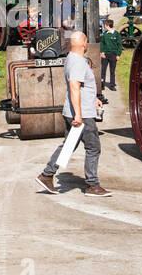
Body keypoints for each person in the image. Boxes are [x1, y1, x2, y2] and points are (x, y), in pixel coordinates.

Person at [36, 31, 111, 196]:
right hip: (81, 113)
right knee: (93, 147)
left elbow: (81, 88)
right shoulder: (77, 62)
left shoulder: (73, 58)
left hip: (78, 109)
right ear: (84, 43)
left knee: (69, 146)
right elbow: (74, 87)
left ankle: (47, 175)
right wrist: (78, 114)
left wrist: (94, 99)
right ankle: (92, 185)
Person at [100, 17, 123, 91]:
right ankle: (102, 84)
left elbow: (119, 45)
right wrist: (102, 52)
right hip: (105, 55)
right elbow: (102, 43)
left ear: (107, 25)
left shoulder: (116, 34)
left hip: (113, 55)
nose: (104, 27)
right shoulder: (105, 34)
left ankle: (112, 85)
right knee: (103, 70)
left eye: (105, 25)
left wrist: (118, 55)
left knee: (112, 71)